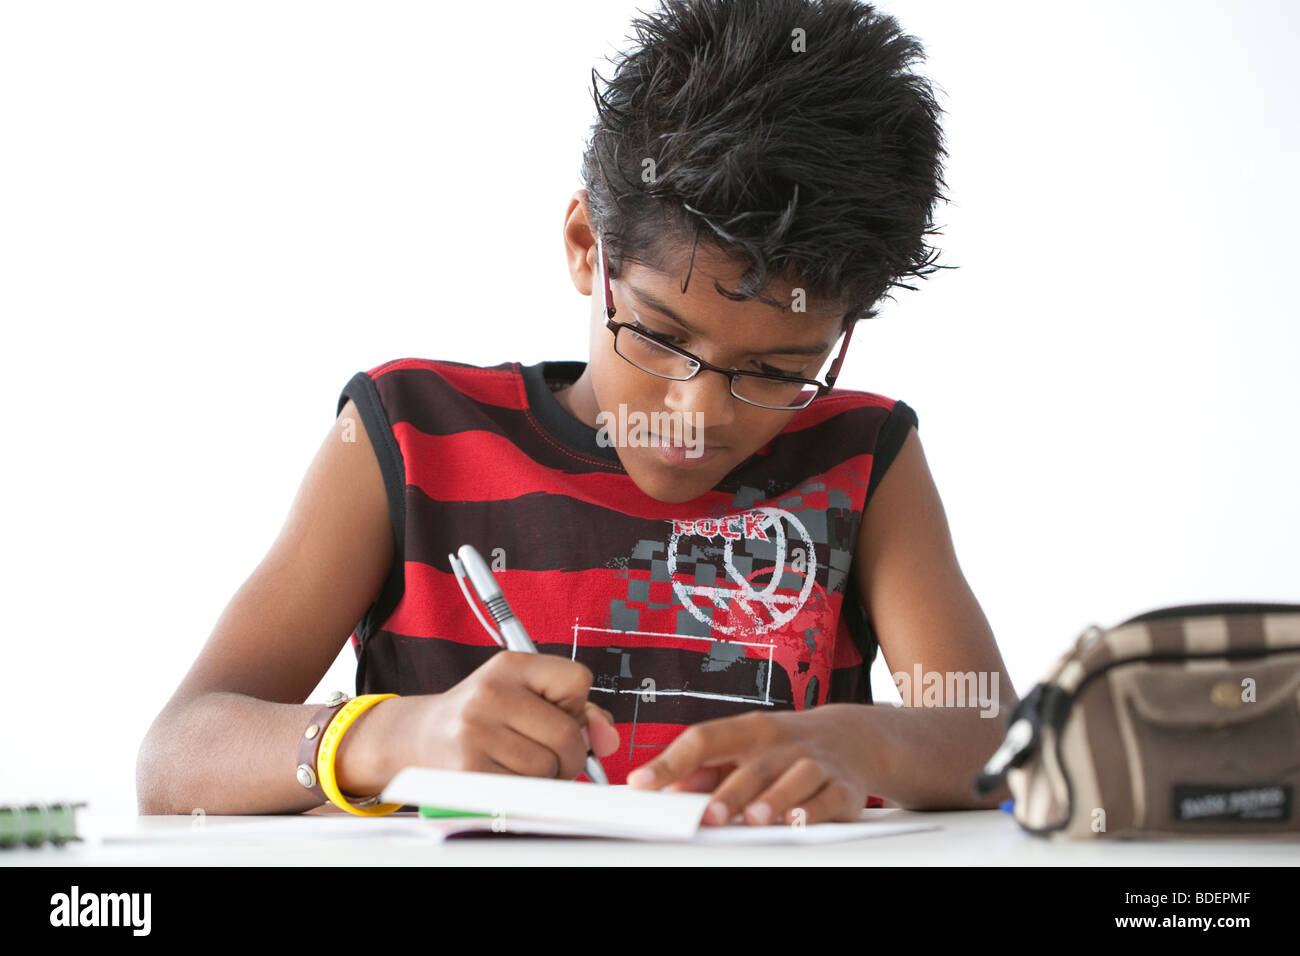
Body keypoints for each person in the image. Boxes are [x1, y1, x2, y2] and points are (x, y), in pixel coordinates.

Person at [137, 0, 1017, 826]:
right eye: (661, 337)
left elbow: (997, 743)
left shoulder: (864, 460)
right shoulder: (406, 434)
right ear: (586, 246)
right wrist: (393, 736)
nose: (698, 412)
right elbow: (176, 757)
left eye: (778, 371)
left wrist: (866, 746)